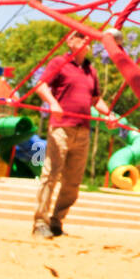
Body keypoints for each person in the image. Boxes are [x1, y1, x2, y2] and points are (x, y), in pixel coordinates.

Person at [32, 30, 114, 239]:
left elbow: (96, 100)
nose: (85, 39)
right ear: (70, 41)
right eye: (79, 36)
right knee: (51, 175)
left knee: (73, 182)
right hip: (61, 127)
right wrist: (53, 103)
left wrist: (110, 114)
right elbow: (40, 86)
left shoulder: (91, 71)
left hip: (83, 130)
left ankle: (56, 221)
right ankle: (40, 222)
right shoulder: (59, 63)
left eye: (87, 37)